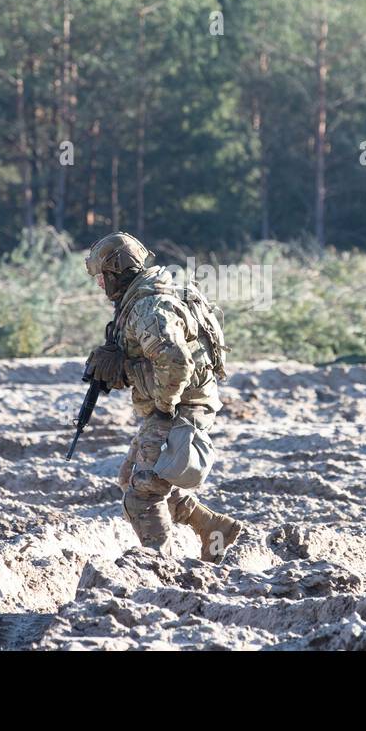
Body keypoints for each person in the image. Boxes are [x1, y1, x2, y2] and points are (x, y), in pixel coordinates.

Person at [83, 232, 244, 561]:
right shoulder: (153, 291)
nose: (99, 285)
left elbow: (176, 361)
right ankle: (213, 528)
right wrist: (123, 364)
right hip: (181, 400)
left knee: (142, 496)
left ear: (115, 273)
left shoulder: (147, 307)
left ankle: (160, 565)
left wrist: (163, 407)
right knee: (132, 478)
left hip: (178, 406)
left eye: (101, 277)